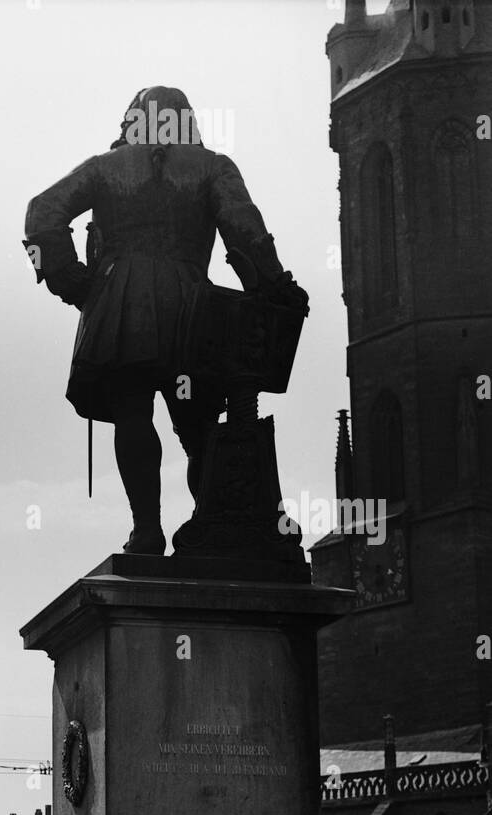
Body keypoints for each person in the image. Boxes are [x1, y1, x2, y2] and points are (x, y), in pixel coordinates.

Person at [24, 85, 306, 555]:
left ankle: (146, 531)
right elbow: (244, 227)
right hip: (192, 307)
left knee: (132, 413)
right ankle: (215, 526)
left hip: (119, 304)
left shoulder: (104, 167)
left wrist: (70, 280)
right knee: (199, 428)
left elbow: (41, 212)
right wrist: (275, 285)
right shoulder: (213, 166)